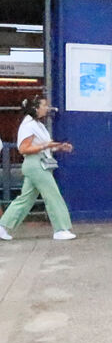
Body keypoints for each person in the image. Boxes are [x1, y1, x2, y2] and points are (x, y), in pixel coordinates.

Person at [0, 96, 76, 241]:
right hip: (36, 164)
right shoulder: (29, 125)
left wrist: (58, 146)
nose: (46, 108)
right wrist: (47, 146)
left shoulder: (36, 124)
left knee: (26, 199)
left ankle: (3, 226)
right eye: (44, 105)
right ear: (35, 108)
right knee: (52, 195)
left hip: (36, 163)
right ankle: (60, 229)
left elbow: (42, 144)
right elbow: (23, 149)